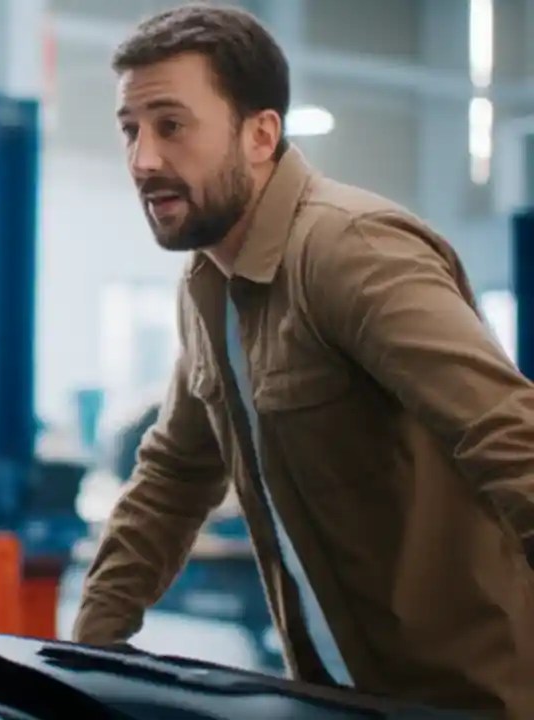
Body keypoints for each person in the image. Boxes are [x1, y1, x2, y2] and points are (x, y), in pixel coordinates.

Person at [72, 5, 533, 717]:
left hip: (474, 699)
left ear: (261, 134)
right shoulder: (207, 286)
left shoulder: (351, 251)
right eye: (129, 130)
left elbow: (509, 436)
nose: (143, 160)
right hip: (336, 694)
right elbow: (173, 475)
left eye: (171, 125)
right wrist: (83, 656)